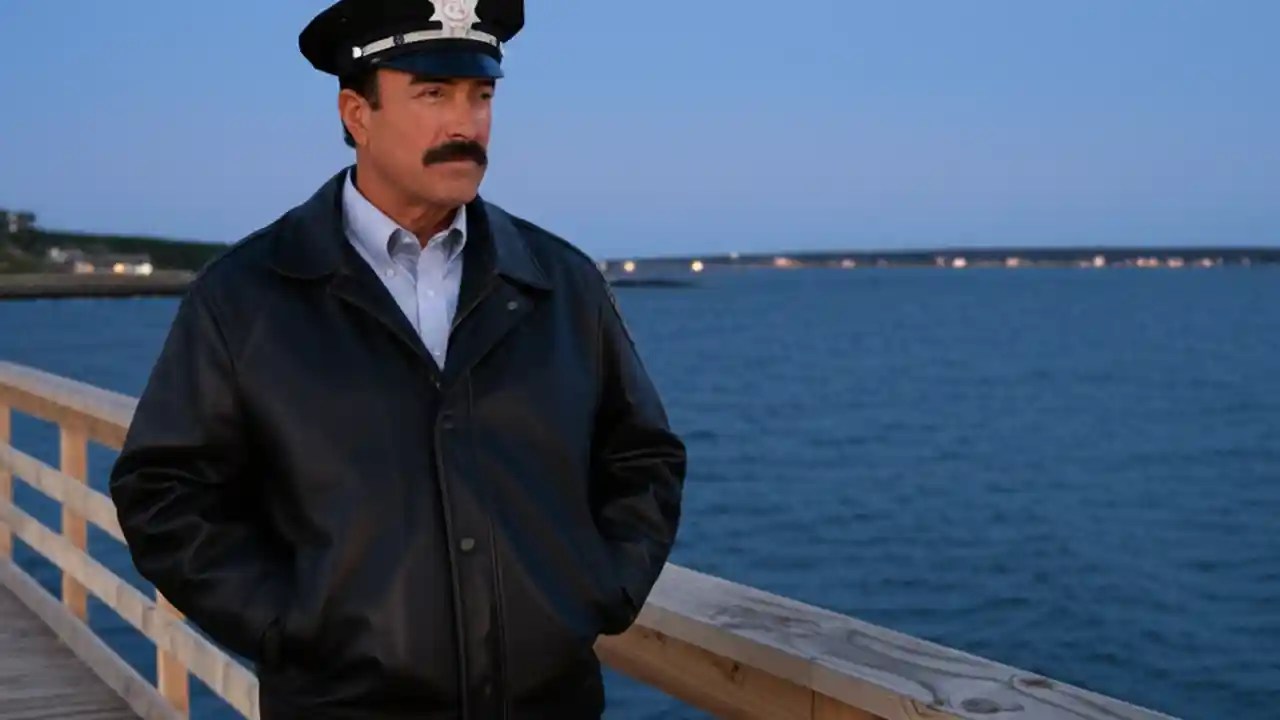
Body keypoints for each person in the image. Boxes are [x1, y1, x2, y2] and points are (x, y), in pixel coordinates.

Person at [107, 1, 687, 717]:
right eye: (432, 93)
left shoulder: (562, 284)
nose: (465, 125)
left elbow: (642, 458)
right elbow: (164, 492)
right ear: (358, 113)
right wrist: (286, 625)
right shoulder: (247, 296)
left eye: (482, 95)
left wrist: (599, 590)